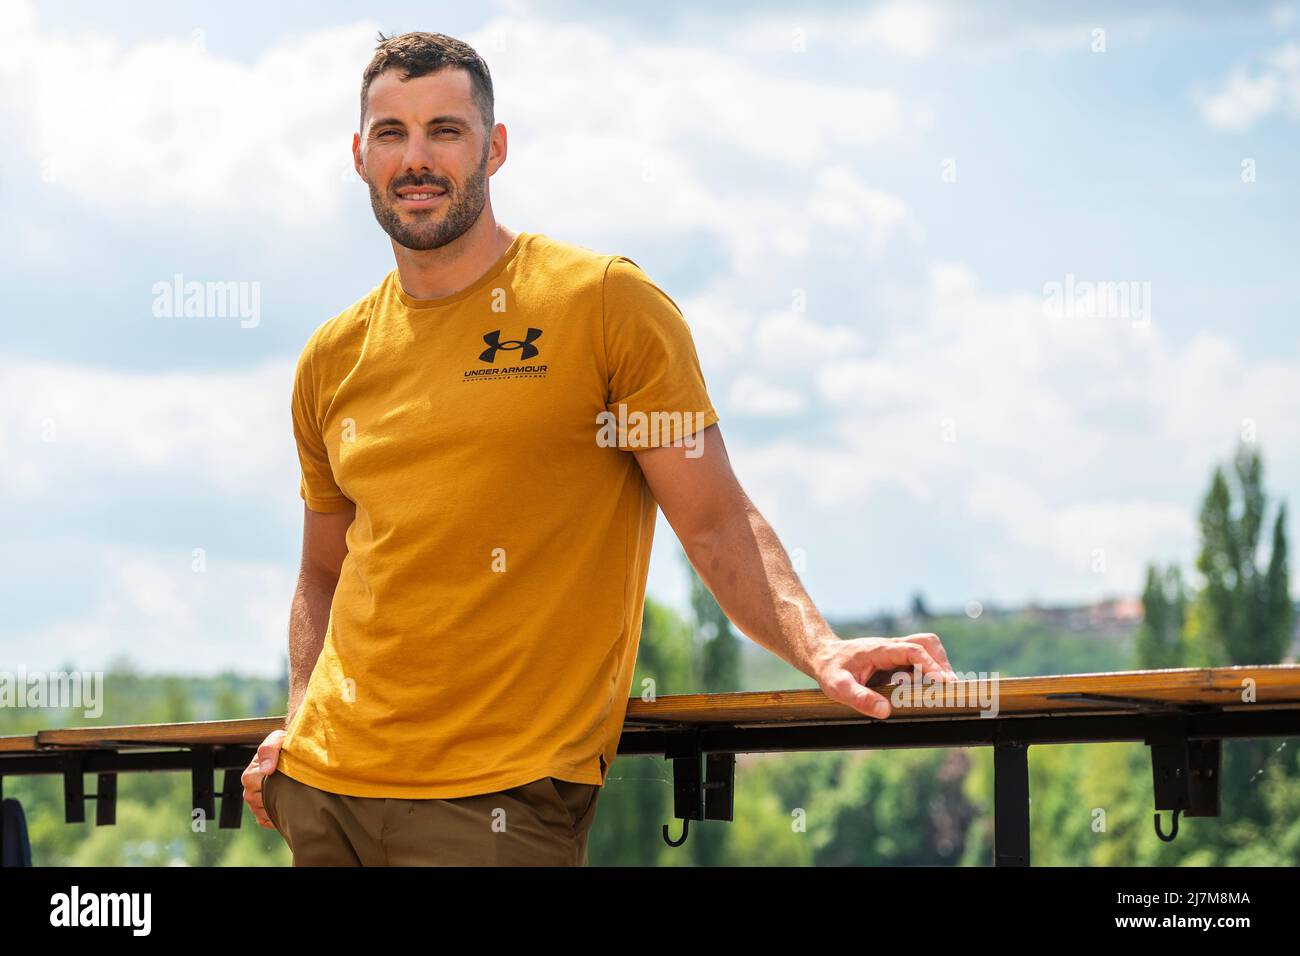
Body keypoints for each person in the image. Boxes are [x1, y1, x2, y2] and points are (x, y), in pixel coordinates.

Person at [241, 30, 955, 866]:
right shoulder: (331, 357)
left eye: (446, 129)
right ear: (359, 157)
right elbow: (323, 572)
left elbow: (717, 519)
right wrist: (299, 720)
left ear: (495, 148)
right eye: (391, 133)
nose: (416, 159)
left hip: (497, 804)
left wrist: (821, 646)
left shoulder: (605, 304)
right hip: (325, 796)